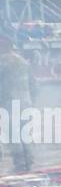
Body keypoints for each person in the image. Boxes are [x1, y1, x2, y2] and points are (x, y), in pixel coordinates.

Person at [0, 27, 34, 172]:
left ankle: (20, 165)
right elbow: (33, 84)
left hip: (10, 102)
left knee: (13, 135)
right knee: (24, 133)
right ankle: (28, 163)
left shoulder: (3, 62)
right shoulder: (23, 61)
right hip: (25, 101)